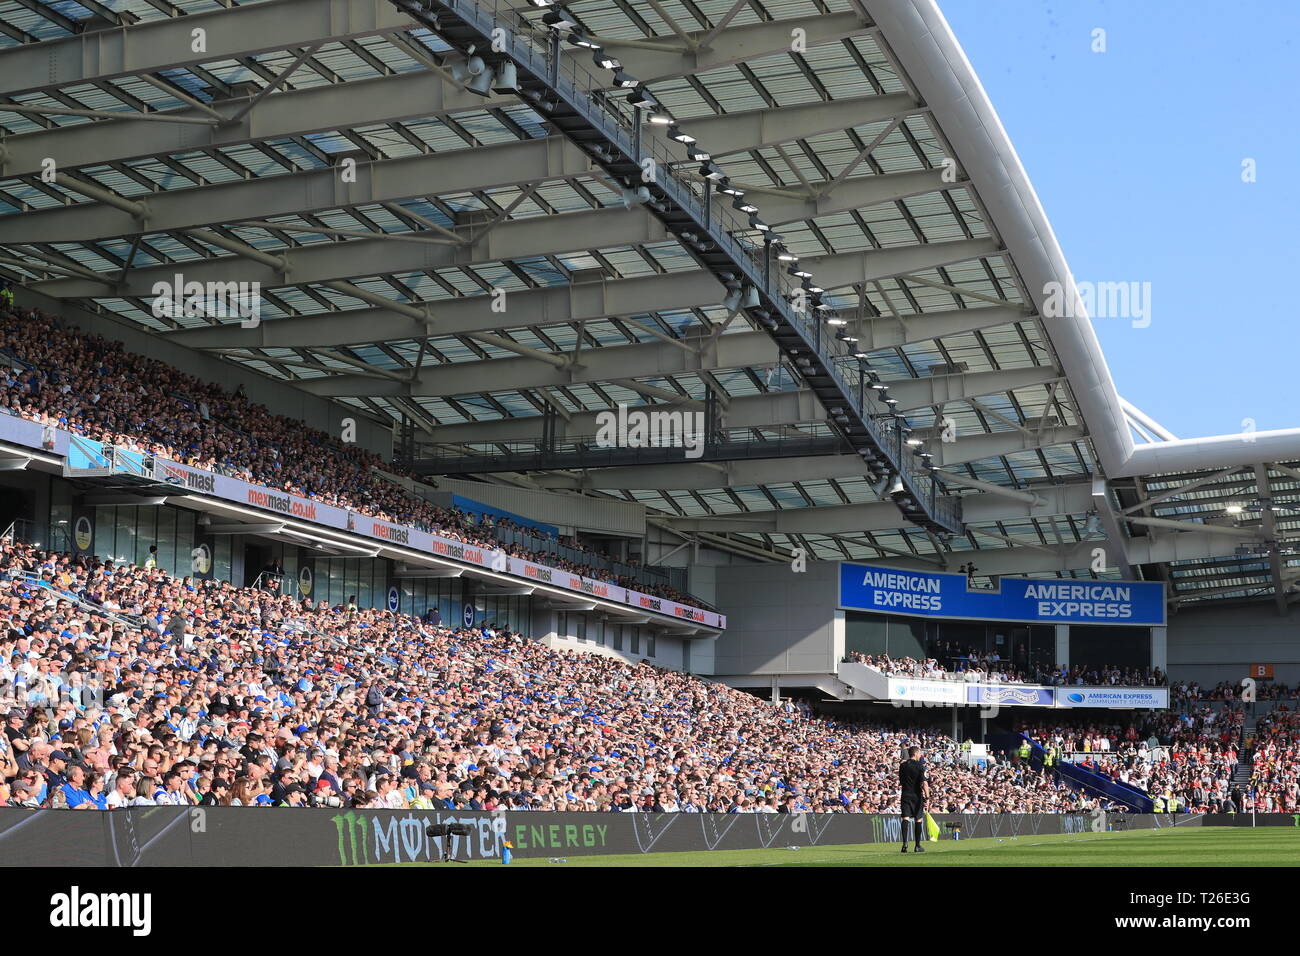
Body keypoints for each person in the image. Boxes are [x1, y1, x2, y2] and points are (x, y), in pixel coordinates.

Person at [899, 746, 928, 854]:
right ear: (915, 753)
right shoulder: (920, 766)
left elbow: (901, 781)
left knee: (905, 818)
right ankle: (917, 845)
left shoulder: (902, 766)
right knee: (918, 819)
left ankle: (905, 844)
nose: (920, 755)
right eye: (920, 753)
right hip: (916, 795)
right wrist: (927, 797)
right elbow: (924, 783)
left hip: (905, 794)